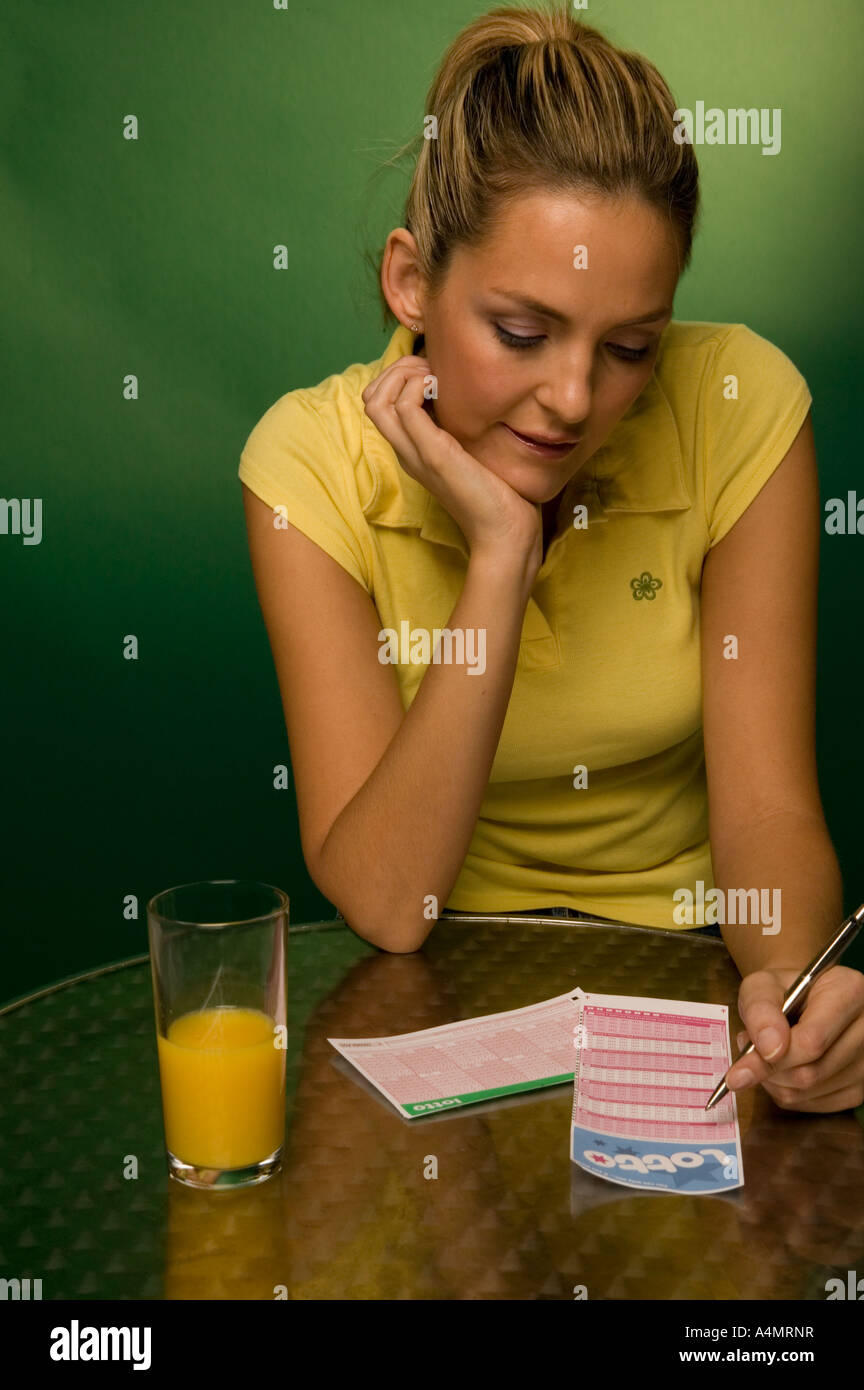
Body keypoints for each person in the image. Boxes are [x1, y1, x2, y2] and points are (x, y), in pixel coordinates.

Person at [239, 5, 864, 1113]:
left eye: (631, 348)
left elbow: (769, 811)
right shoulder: (307, 464)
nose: (576, 399)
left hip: (685, 994)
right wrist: (500, 553)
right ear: (411, 282)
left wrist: (785, 981)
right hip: (425, 1001)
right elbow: (389, 902)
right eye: (522, 333)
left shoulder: (741, 405)